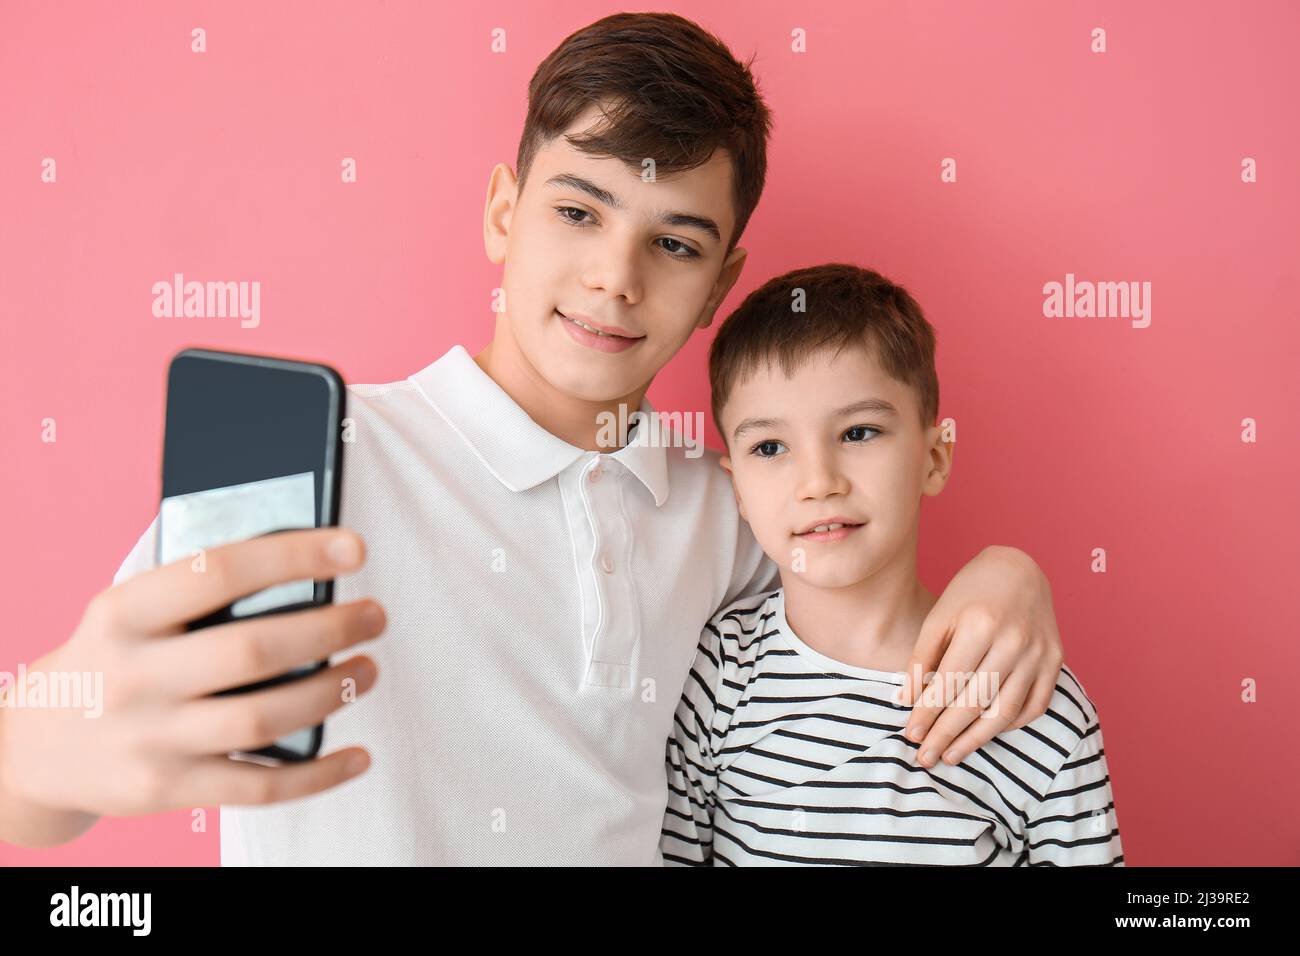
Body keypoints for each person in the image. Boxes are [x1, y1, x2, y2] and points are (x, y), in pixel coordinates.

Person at [0, 13, 1064, 864]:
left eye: (675, 241)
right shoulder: (323, 460)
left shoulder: (732, 508)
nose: (615, 276)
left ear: (720, 287)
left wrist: (1009, 572)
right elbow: (36, 777)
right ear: (503, 213)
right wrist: (41, 752)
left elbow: (859, 604)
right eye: (577, 211)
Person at [661, 264, 1121, 866]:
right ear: (739, 492)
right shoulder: (718, 670)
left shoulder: (1027, 697)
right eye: (770, 447)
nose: (818, 482)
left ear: (933, 458)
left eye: (858, 432)